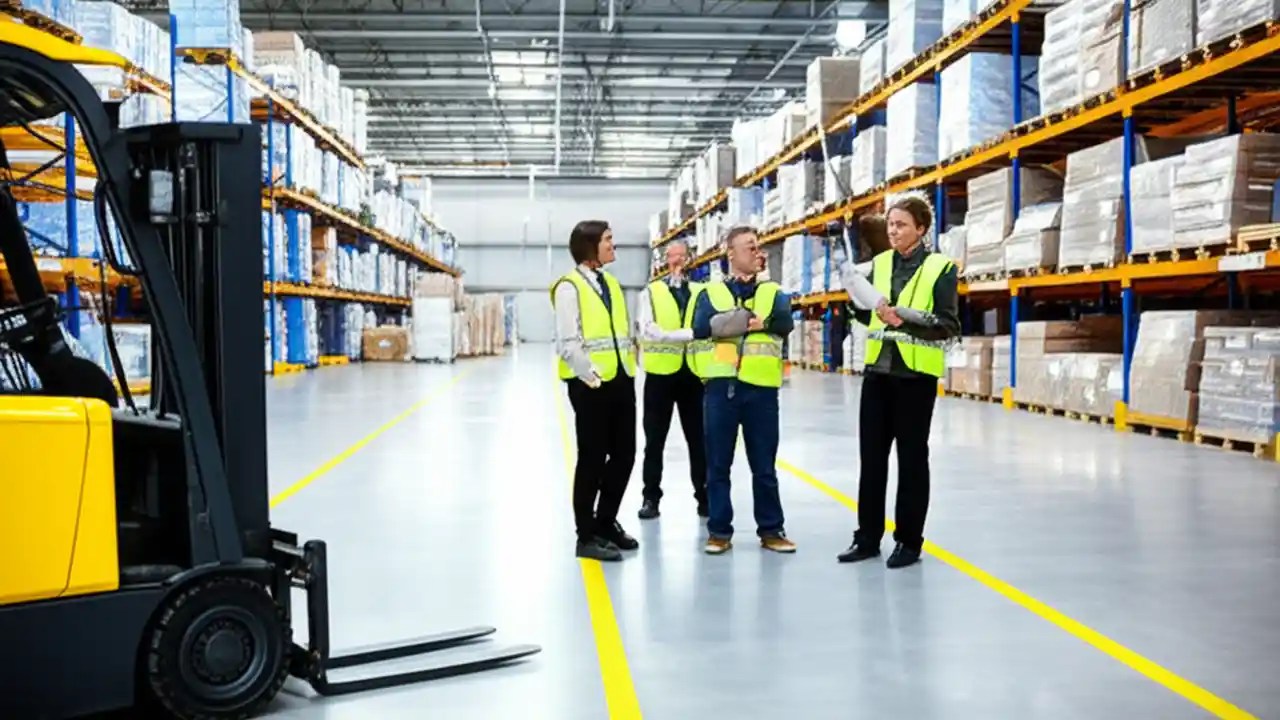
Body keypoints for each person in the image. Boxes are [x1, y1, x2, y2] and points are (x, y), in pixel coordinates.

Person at [835, 194, 960, 569]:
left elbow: (949, 325)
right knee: (871, 461)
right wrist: (854, 297)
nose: (893, 230)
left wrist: (903, 319)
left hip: (914, 379)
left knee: (911, 460)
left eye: (902, 224)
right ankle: (867, 537)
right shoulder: (880, 263)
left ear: (921, 229)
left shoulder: (941, 268)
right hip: (878, 375)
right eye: (890, 224)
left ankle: (908, 541)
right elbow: (860, 314)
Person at [690, 226, 796, 555]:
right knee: (718, 465)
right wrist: (745, 319)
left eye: (757, 246)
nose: (756, 251)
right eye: (749, 247)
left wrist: (752, 323)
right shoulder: (711, 291)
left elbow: (784, 322)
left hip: (762, 390)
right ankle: (719, 531)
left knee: (764, 465)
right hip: (722, 387)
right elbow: (702, 326)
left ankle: (771, 529)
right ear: (731, 254)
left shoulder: (774, 290)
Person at [551, 220, 639, 562]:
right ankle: (585, 535)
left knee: (625, 454)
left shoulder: (612, 285)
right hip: (590, 385)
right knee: (592, 458)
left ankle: (605, 522)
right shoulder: (569, 287)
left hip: (621, 380)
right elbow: (568, 343)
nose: (613, 245)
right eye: (608, 240)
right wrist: (591, 377)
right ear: (590, 247)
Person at [635, 240, 708, 520]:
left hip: (692, 374)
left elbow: (708, 327)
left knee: (698, 439)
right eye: (671, 256)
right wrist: (688, 334)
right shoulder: (651, 292)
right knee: (655, 440)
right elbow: (651, 330)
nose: (676, 261)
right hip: (660, 376)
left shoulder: (702, 291)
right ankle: (650, 498)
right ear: (665, 260)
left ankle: (704, 497)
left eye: (680, 256)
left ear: (689, 258)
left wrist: (683, 333)